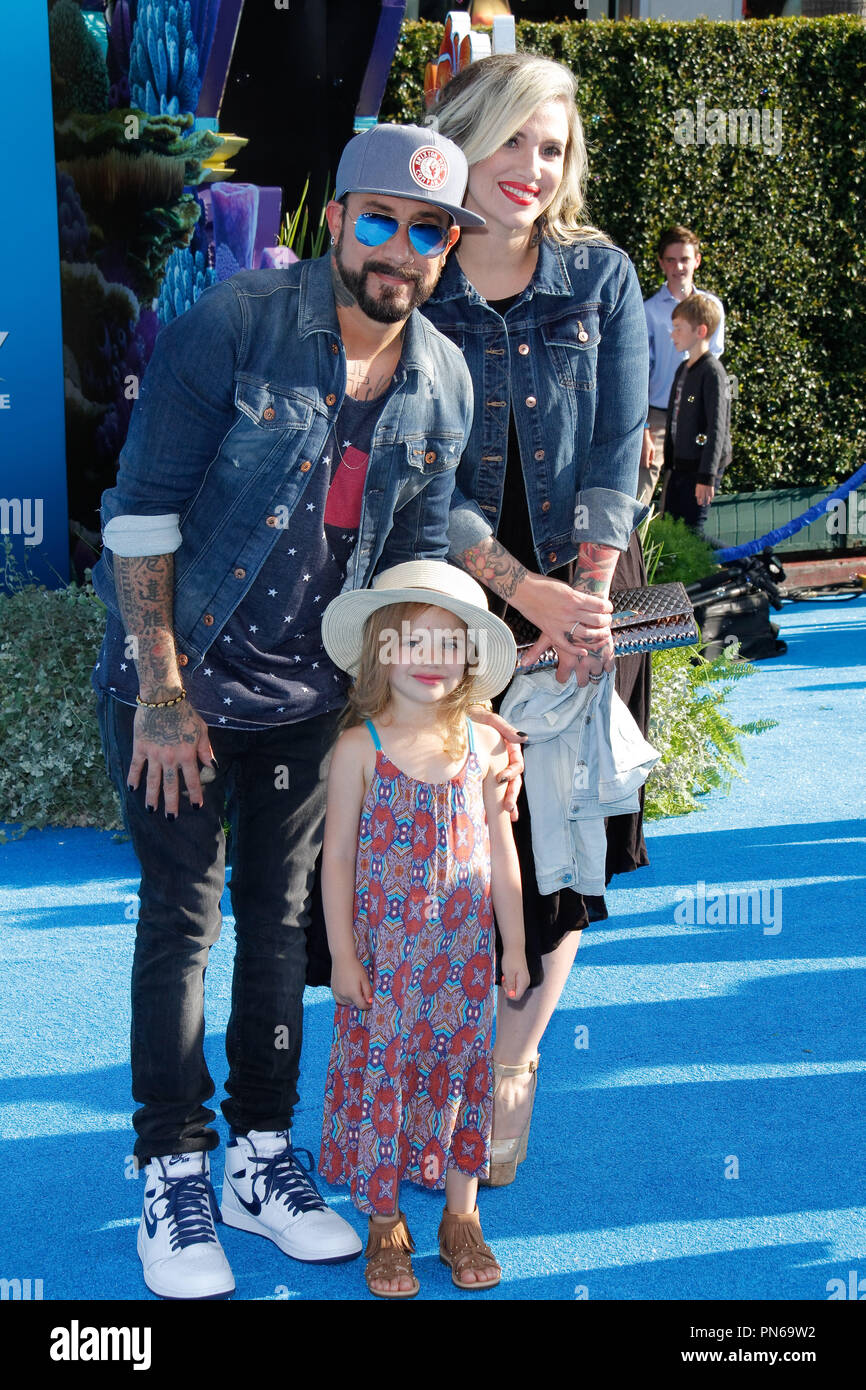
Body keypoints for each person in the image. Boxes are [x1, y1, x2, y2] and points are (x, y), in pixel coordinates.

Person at [90, 122, 486, 1300]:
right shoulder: (237, 325)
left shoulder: (443, 382)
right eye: (378, 221)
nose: (398, 250)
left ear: (448, 249)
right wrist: (163, 693)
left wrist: (448, 719)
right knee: (185, 918)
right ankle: (171, 1166)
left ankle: (263, 1159)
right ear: (335, 223)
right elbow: (143, 513)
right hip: (182, 686)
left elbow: (415, 571)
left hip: (306, 700)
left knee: (278, 924)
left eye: (427, 232)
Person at [423, 52, 651, 1185]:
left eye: (549, 147)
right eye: (510, 138)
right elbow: (416, 475)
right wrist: (524, 593)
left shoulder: (599, 275)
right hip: (456, 605)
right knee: (457, 858)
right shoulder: (413, 276)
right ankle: (439, 1068)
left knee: (558, 857)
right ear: (461, 135)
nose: (530, 166)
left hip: (585, 598)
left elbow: (617, 446)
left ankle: (508, 1071)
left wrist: (588, 595)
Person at [317, 560, 530, 1297]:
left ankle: (461, 1218)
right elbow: (336, 859)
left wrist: (516, 946)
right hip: (386, 963)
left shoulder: (486, 748)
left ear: (470, 658)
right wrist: (343, 955)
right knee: (385, 1076)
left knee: (464, 1075)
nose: (430, 661)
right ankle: (384, 1224)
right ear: (379, 651)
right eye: (412, 642)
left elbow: (503, 857)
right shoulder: (357, 750)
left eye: (448, 645)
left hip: (464, 966)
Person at [640, 225, 725, 503]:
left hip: (695, 418)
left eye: (685, 259)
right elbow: (640, 372)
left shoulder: (712, 308)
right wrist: (643, 428)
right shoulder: (648, 311)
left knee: (687, 505)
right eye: (672, 260)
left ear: (697, 261)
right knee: (639, 497)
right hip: (657, 418)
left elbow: (713, 364)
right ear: (662, 263)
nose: (679, 267)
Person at [661, 293, 732, 537]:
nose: (673, 334)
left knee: (693, 534)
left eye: (679, 328)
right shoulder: (683, 369)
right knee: (673, 529)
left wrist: (707, 476)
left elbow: (717, 428)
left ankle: (746, 565)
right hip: (680, 469)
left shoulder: (713, 372)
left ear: (700, 331)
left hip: (699, 471)